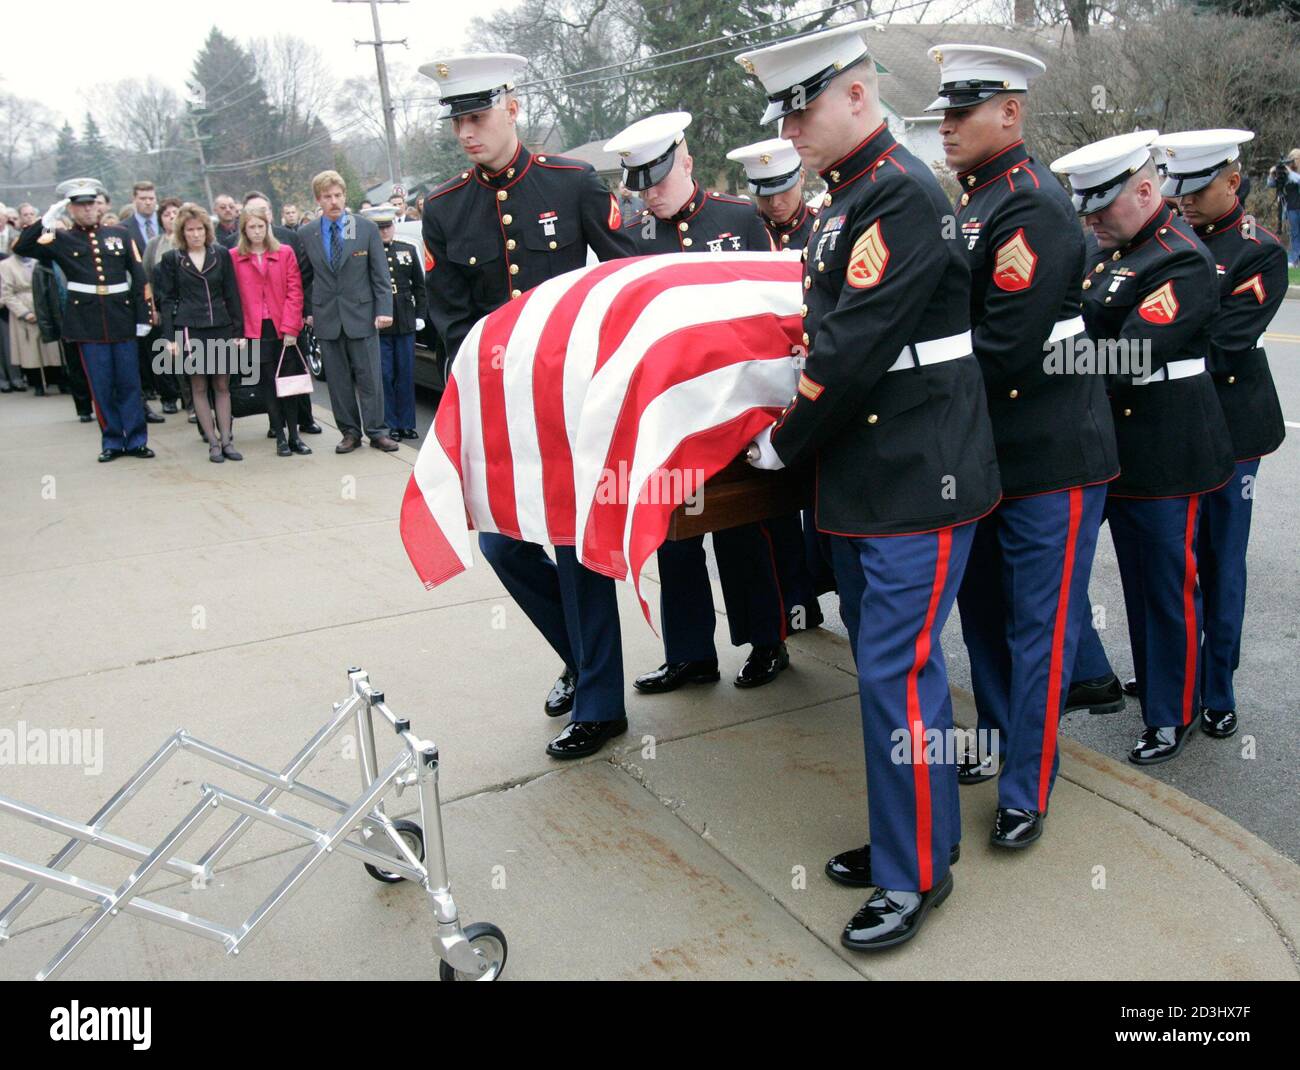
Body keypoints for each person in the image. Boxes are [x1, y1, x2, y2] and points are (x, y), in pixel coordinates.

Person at [738, 21, 1001, 949]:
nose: (791, 128)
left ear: (856, 94)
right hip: (866, 480)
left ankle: (918, 871)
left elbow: (848, 353)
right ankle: (910, 832)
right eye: (785, 111)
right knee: (888, 676)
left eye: (804, 106)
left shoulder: (898, 197)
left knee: (899, 678)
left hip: (911, 483)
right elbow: (824, 328)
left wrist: (779, 442)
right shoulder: (847, 200)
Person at [924, 45, 1121, 848]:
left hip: (1049, 455)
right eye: (943, 112)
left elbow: (1003, 346)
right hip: (990, 454)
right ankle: (1004, 743)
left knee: (1037, 629)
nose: (947, 126)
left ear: (1010, 112)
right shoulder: (975, 203)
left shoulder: (1031, 205)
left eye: (962, 111)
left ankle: (1027, 787)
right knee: (986, 618)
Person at [421, 51, 636, 759]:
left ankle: (602, 703)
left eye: (477, 117)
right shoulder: (445, 209)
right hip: (500, 409)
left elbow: (623, 277)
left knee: (576, 547)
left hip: (572, 403)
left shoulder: (571, 185)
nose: (466, 134)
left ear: (512, 106)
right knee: (502, 543)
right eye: (458, 122)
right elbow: (450, 317)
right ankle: (582, 657)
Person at [1050, 131, 1236, 765]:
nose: (1092, 219)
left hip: (1166, 445)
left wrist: (1045, 357)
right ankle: (1159, 678)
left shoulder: (1179, 259)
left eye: (1104, 205)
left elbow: (1131, 353)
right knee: (1134, 579)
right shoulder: (1117, 253)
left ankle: (1172, 712)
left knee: (1165, 584)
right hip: (1118, 440)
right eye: (1088, 208)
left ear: (1147, 190)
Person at [606, 112, 801, 695]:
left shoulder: (738, 218)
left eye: (659, 179)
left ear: (685, 163)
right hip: (672, 409)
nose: (651, 195)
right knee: (676, 533)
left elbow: (774, 304)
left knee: (745, 528)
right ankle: (689, 653)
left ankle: (767, 640)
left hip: (735, 403)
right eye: (641, 184)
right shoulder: (633, 233)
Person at [1155, 129, 1288, 741]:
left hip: (1232, 429)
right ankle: (1175, 672)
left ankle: (1218, 684)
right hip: (1171, 426)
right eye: (1173, 186)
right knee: (1171, 560)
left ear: (1233, 182)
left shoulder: (1258, 251)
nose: (1181, 199)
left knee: (1220, 559)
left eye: (1197, 188)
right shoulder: (1164, 239)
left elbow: (1224, 343)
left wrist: (1151, 343)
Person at [727, 136, 834, 616]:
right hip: (765, 386)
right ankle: (794, 604)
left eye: (782, 188)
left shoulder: (826, 228)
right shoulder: (745, 233)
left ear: (802, 180)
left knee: (821, 507)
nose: (773, 201)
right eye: (763, 192)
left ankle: (816, 588)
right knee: (767, 511)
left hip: (819, 381)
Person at [14, 178, 153, 461]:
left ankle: (137, 439)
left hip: (122, 318)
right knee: (101, 385)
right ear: (71, 209)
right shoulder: (60, 239)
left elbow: (139, 276)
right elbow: (22, 247)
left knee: (129, 383)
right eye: (80, 205)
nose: (88, 209)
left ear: (99, 205)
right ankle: (113, 441)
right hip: (87, 323)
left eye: (91, 203)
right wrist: (47, 218)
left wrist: (144, 315)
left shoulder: (120, 234)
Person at [298, 169, 398, 453]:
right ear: (319, 199)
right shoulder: (307, 233)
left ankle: (377, 432)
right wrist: (308, 309)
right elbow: (303, 278)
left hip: (362, 315)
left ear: (345, 196)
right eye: (327, 196)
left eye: (338, 195)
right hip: (326, 317)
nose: (334, 201)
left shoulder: (365, 228)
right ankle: (349, 433)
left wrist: (384, 309)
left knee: (370, 378)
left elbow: (380, 274)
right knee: (339, 381)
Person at [155, 203, 245, 463]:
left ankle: (227, 439)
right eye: (190, 230)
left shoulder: (221, 254)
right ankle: (213, 443)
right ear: (182, 232)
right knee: (198, 386)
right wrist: (170, 338)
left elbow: (232, 294)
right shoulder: (172, 259)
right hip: (190, 328)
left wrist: (238, 331)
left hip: (221, 325)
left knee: (222, 385)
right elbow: (167, 300)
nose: (195, 234)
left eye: (200, 229)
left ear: (207, 230)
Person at [231, 204, 310, 457]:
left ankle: (295, 435)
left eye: (261, 226)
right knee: (268, 385)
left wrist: (291, 328)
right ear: (244, 229)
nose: (256, 232)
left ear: (268, 227)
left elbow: (294, 291)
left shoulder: (284, 252)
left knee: (289, 383)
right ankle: (279, 437)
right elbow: (233, 297)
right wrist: (240, 332)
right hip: (254, 328)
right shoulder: (234, 256)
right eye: (251, 227)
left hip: (281, 325)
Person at [242, 191, 321, 440]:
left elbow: (299, 283)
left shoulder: (287, 242)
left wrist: (296, 321)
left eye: (262, 216)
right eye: (252, 222)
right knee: (268, 381)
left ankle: (301, 425)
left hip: (286, 322)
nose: (257, 227)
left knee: (293, 376)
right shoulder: (235, 251)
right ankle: (277, 429)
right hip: (257, 327)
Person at [362, 205, 424, 440]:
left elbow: (419, 286)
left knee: (406, 375)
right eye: (379, 228)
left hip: (406, 319)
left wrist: (421, 315)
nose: (384, 231)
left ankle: (407, 423)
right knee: (385, 376)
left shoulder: (406, 250)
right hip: (381, 323)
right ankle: (390, 424)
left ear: (393, 226)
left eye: (387, 226)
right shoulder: (366, 255)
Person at [32, 244, 95, 421]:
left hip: (90, 318)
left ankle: (103, 404)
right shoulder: (44, 266)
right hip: (65, 320)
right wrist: (48, 329)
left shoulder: (81, 255)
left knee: (96, 364)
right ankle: (83, 408)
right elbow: (41, 300)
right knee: (75, 366)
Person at [0, 245, 64, 393]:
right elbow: (7, 293)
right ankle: (38, 384)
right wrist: (23, 312)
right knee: (31, 350)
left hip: (44, 304)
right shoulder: (6, 265)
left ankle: (60, 380)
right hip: (23, 304)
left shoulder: (40, 261)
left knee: (53, 348)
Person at [1266, 148, 1300, 266]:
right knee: (1294, 234)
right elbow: (1271, 184)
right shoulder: (1286, 173)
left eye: (1295, 159)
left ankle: (1295, 258)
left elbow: (1297, 180)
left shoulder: (1292, 174)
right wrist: (1272, 174)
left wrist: (1289, 172)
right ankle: (1294, 259)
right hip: (1291, 208)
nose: (1292, 161)